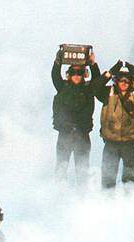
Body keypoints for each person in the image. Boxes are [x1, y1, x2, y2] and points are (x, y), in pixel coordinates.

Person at [92, 60, 134, 189]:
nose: (124, 83)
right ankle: (107, 203)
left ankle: (128, 204)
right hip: (111, 142)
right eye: (121, 80)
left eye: (127, 80)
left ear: (131, 82)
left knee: (129, 177)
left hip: (130, 143)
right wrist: (109, 73)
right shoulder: (107, 93)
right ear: (116, 81)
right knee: (108, 178)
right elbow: (94, 88)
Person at [51, 50, 98, 181]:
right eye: (73, 73)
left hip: (82, 135)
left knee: (82, 169)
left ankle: (82, 197)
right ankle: (58, 195)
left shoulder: (88, 89)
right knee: (61, 168)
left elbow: (97, 80)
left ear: (84, 74)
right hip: (65, 133)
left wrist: (93, 64)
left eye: (80, 73)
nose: (76, 76)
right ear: (68, 75)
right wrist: (57, 62)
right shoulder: (62, 87)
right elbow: (55, 76)